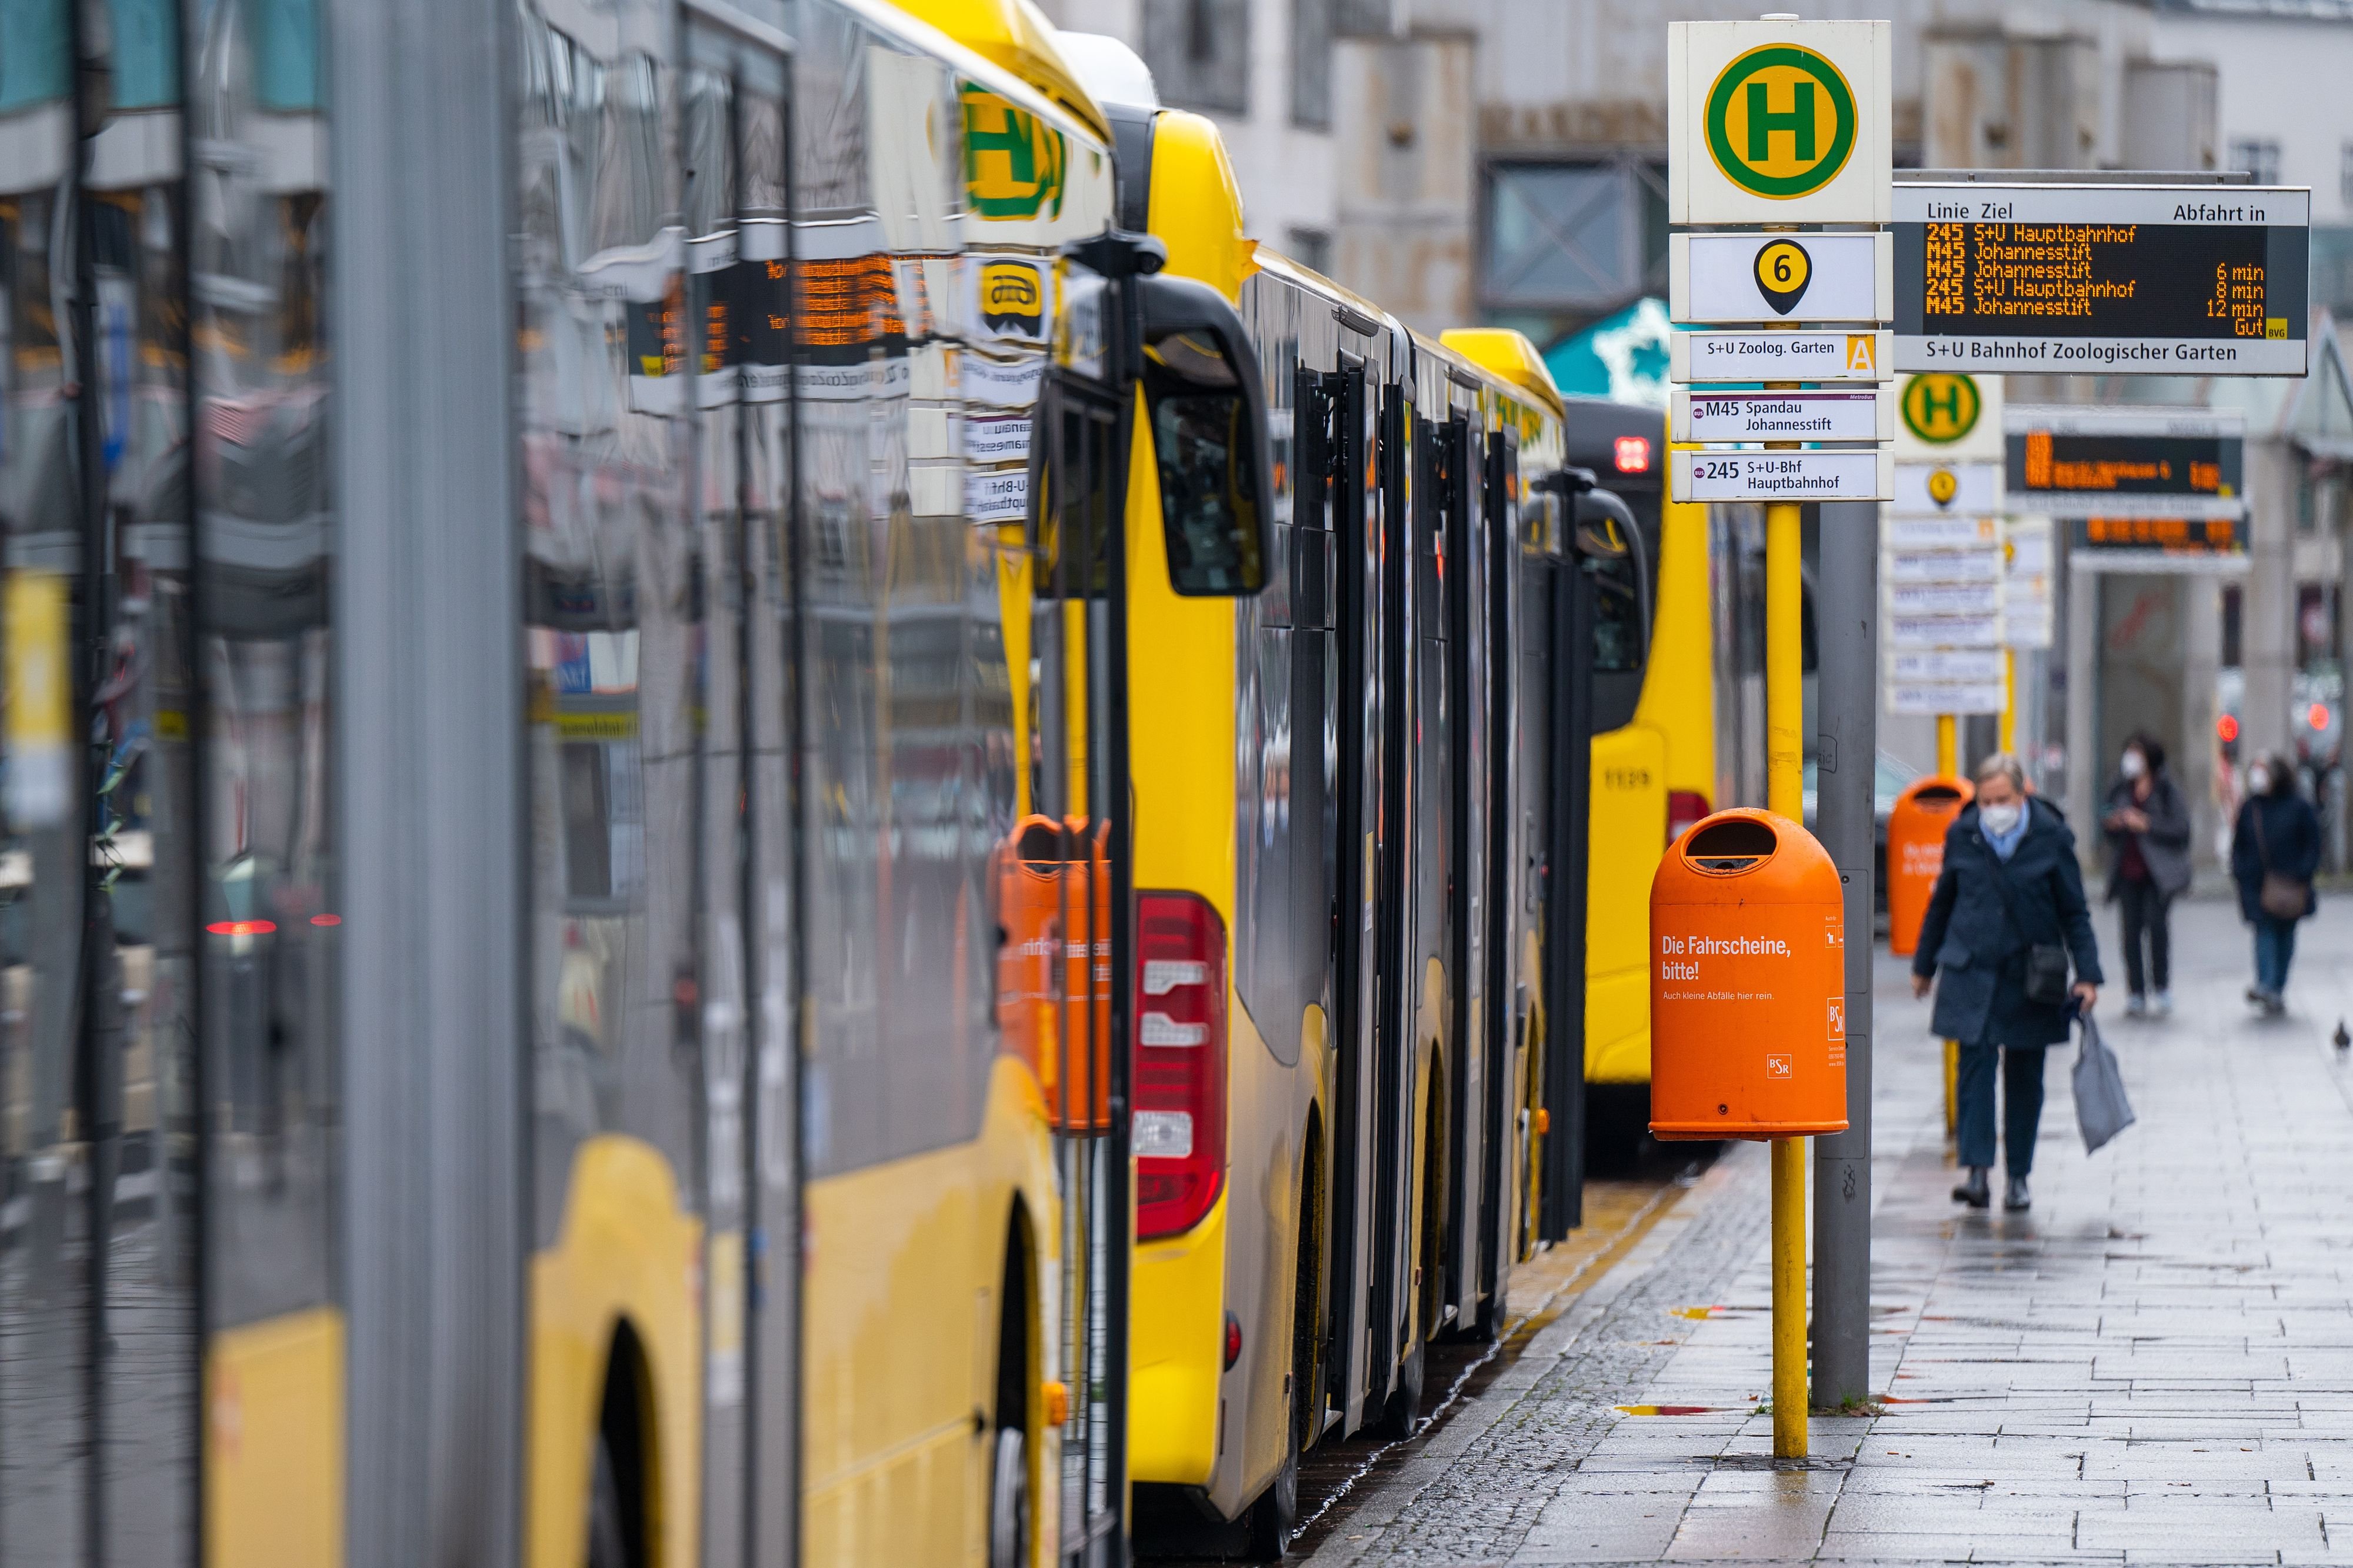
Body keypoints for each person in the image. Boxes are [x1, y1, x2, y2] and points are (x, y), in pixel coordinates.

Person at [1911, 753, 2102, 1213]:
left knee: (2024, 1077)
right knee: (1973, 1072)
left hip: (2029, 976)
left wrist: (2089, 976)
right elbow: (1943, 902)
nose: (1993, 808)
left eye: (2003, 799)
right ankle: (1977, 1173)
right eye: (1986, 800)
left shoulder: (2052, 838)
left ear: (2023, 795)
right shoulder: (1963, 832)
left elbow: (2074, 912)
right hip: (1970, 969)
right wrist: (1924, 965)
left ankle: (2018, 1177)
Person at [2101, 732, 2192, 1017]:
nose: (2131, 760)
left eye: (2137, 754)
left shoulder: (2166, 789)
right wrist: (2114, 823)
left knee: (2157, 928)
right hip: (2128, 870)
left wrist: (2147, 824)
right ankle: (2136, 992)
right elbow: (2104, 818)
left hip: (2158, 874)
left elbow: (2181, 830)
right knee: (2130, 933)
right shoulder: (2119, 787)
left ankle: (2162, 987)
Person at [2229, 751, 2321, 1016]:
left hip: (2292, 885)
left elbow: (2312, 844)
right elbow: (2240, 845)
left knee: (2286, 935)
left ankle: (2276, 986)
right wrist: (2242, 872)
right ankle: (2267, 985)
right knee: (2264, 932)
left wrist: (2303, 873)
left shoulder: (2298, 807)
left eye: (2263, 769)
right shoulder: (2251, 807)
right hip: (2258, 885)